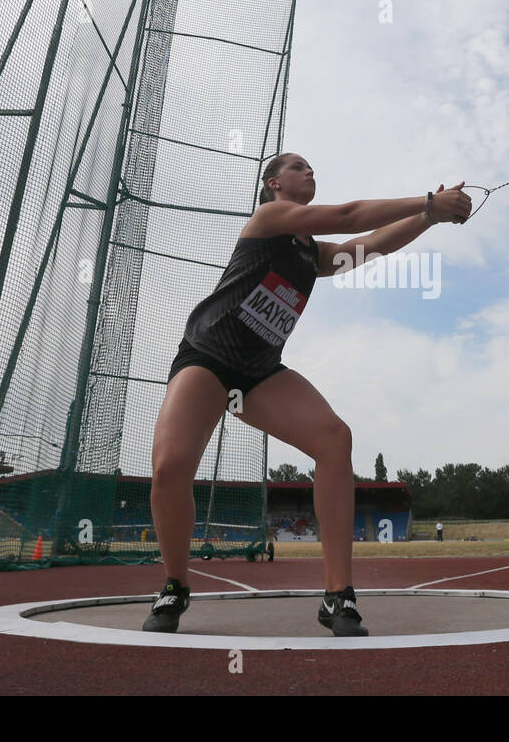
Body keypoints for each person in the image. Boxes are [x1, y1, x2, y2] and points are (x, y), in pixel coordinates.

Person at [143, 152, 471, 636]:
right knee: (170, 468)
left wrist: (426, 217)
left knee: (334, 439)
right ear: (273, 182)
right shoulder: (268, 218)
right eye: (300, 167)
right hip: (208, 359)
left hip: (258, 374)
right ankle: (175, 584)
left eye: (313, 168)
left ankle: (338, 596)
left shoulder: (309, 253)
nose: (311, 172)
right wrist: (427, 198)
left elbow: (367, 246)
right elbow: (348, 216)